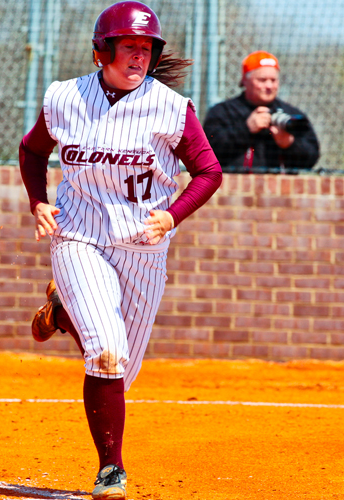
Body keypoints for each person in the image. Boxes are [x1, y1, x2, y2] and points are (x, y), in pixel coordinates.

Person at [18, 2, 222, 498]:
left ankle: (63, 313)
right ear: (102, 51)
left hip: (142, 245)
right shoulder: (65, 98)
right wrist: (38, 201)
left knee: (120, 372)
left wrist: (173, 215)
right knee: (106, 354)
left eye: (146, 48)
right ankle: (111, 469)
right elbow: (32, 150)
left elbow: (209, 172)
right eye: (128, 46)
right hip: (79, 235)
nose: (139, 56)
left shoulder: (171, 107)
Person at [202, 50, 320, 173]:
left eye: (273, 80)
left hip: (280, 184)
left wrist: (289, 143)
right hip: (233, 183)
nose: (269, 86)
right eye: (262, 80)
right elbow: (206, 152)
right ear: (245, 80)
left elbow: (311, 157)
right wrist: (246, 129)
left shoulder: (291, 114)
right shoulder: (224, 112)